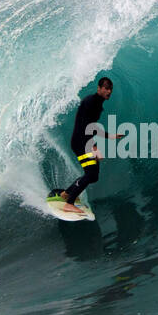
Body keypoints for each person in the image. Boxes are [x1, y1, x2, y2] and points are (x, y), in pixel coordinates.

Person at [52, 77, 117, 214]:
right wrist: (93, 147)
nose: (109, 91)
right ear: (99, 88)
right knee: (90, 173)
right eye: (106, 88)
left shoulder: (97, 104)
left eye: (110, 88)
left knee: (93, 176)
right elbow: (85, 126)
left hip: (84, 141)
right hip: (81, 142)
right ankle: (69, 203)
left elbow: (92, 127)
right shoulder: (91, 102)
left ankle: (66, 194)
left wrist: (110, 136)